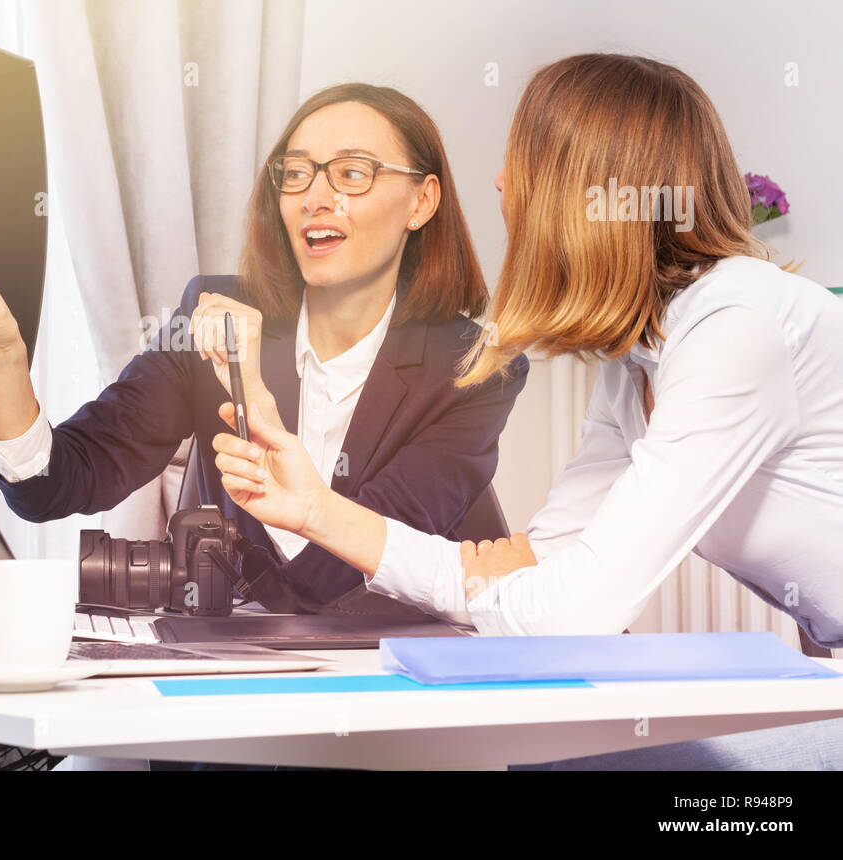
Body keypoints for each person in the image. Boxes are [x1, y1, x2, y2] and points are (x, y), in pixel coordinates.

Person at [211, 53, 843, 768]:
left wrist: (506, 603)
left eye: (521, 162)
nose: (501, 182)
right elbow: (525, 567)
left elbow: (569, 616)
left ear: (585, 193)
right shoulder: (639, 365)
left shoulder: (737, 324)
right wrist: (314, 509)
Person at [0, 82, 528, 607]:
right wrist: (7, 363)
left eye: (352, 173)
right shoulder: (215, 314)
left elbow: (355, 566)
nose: (315, 195)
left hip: (382, 688)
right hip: (223, 691)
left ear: (422, 201)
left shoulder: (477, 369)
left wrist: (253, 395)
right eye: (296, 172)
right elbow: (55, 484)